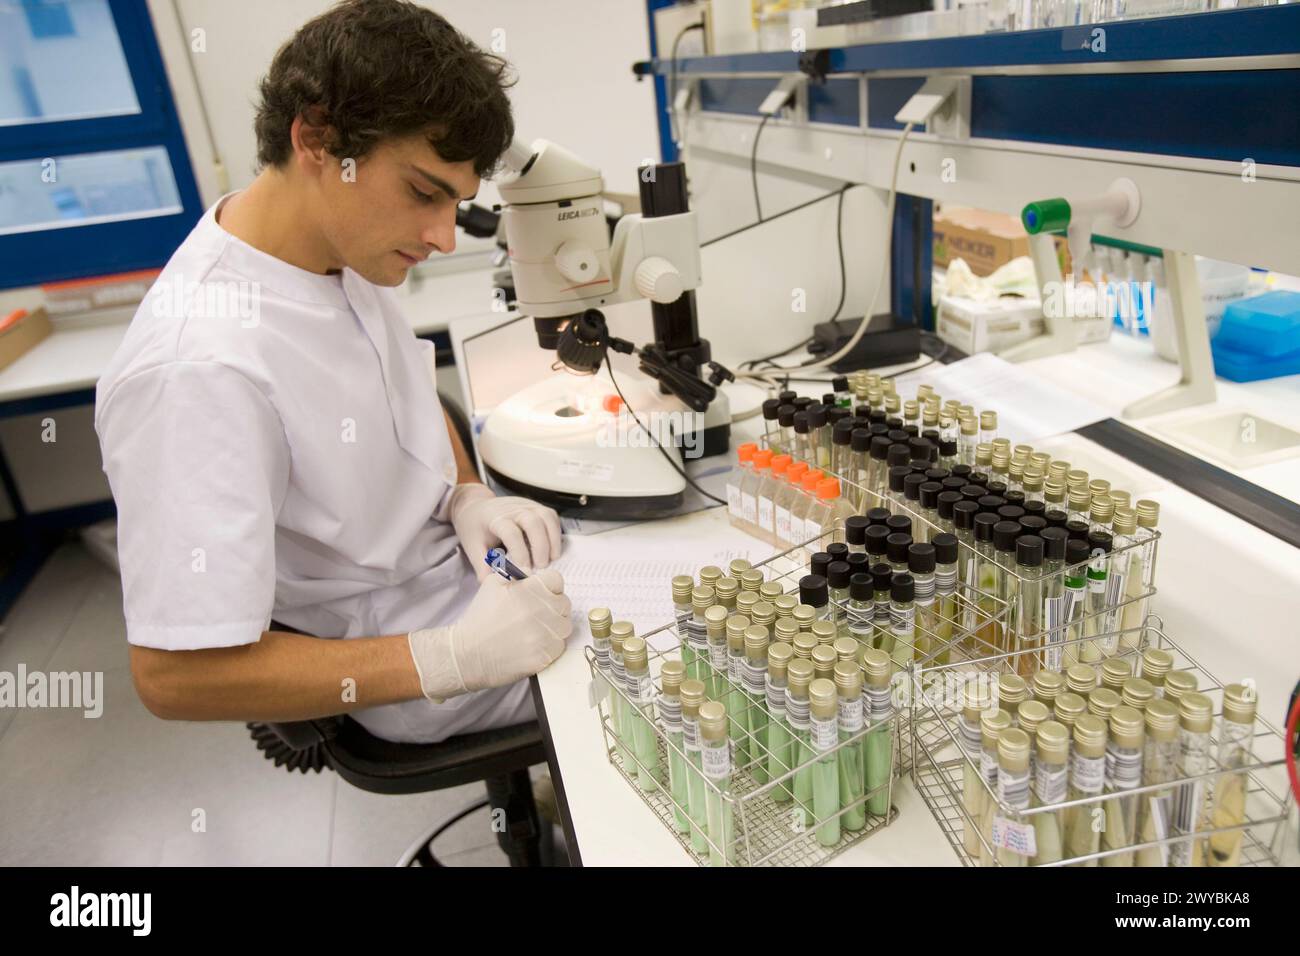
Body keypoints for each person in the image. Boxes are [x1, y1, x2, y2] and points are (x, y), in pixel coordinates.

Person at [94, 0, 572, 744]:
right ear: (317, 137)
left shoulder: (335, 253)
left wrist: (467, 494)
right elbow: (173, 675)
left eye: (456, 202)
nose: (445, 237)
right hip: (411, 661)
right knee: (709, 678)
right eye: (423, 192)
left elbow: (407, 391)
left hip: (469, 581)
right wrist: (452, 657)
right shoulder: (197, 366)